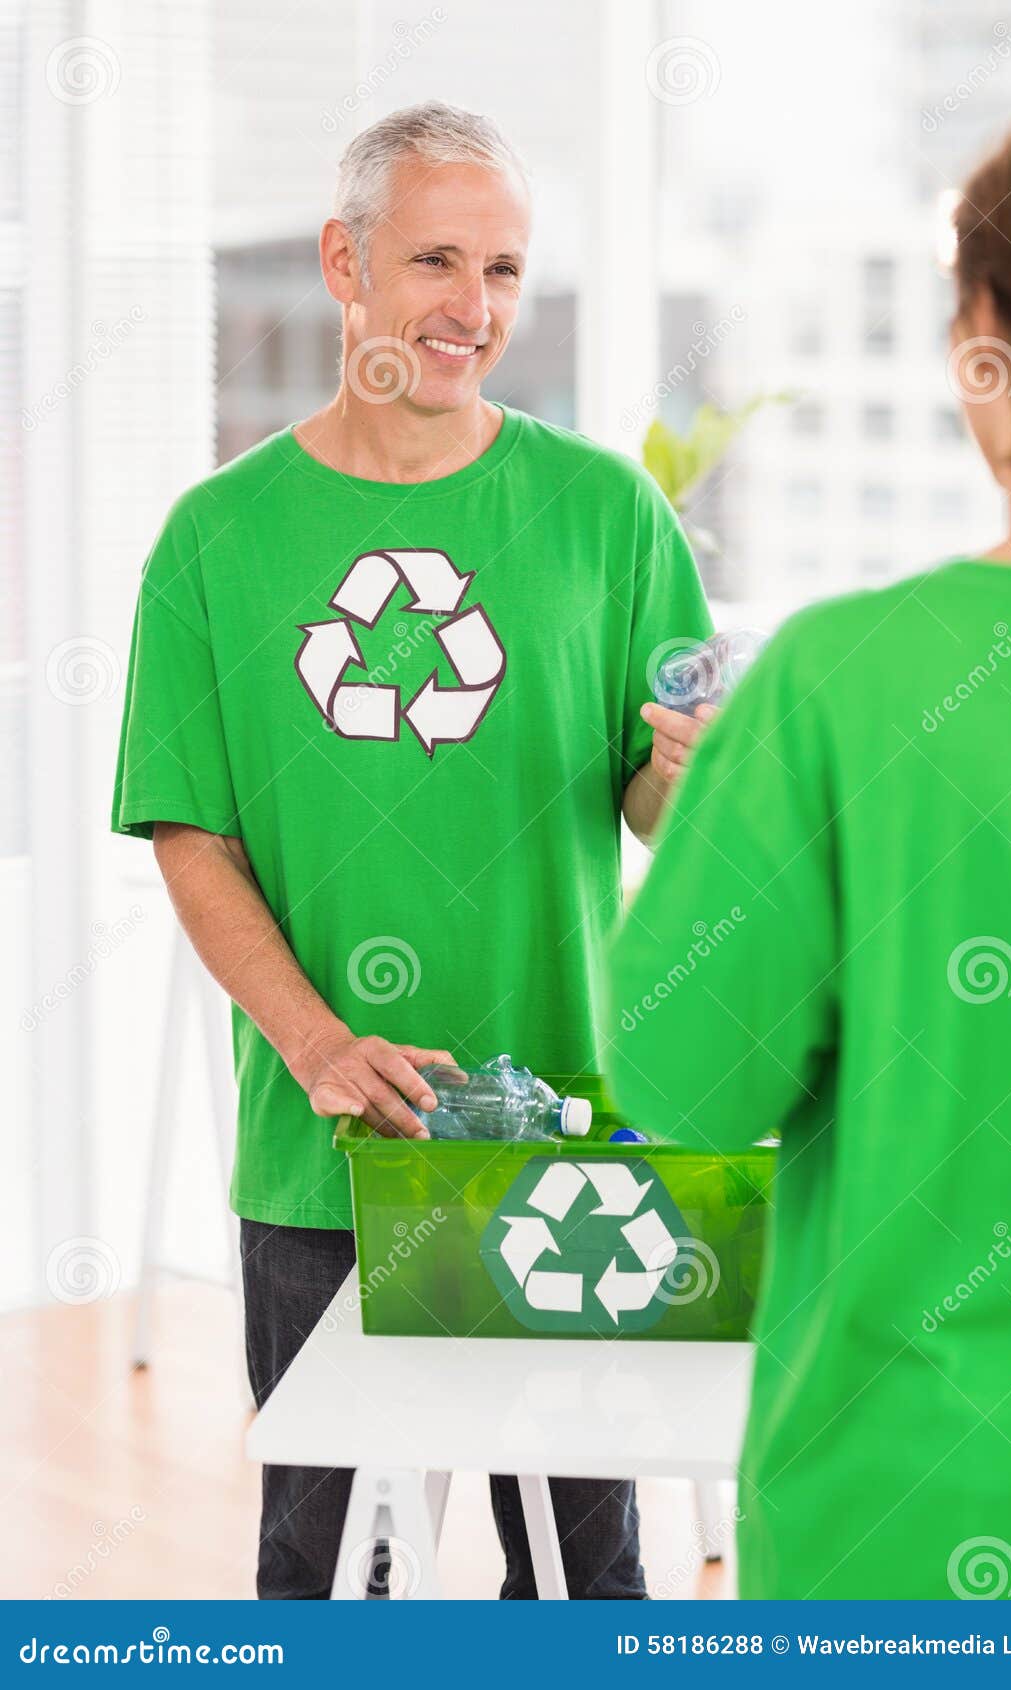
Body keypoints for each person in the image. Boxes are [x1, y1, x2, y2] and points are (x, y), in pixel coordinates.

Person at [111, 101, 713, 1599]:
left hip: (565, 1147)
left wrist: (683, 777)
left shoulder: (609, 518)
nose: (476, 308)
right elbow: (191, 834)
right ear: (343, 262)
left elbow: (652, 811)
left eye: (505, 269)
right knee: (326, 1582)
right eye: (438, 259)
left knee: (585, 1576)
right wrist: (315, 1043)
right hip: (329, 1158)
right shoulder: (212, 539)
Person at [607, 114, 1011, 1600]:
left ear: (986, 336)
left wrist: (738, 810)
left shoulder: (843, 683)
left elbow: (689, 1076)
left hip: (911, 1518)